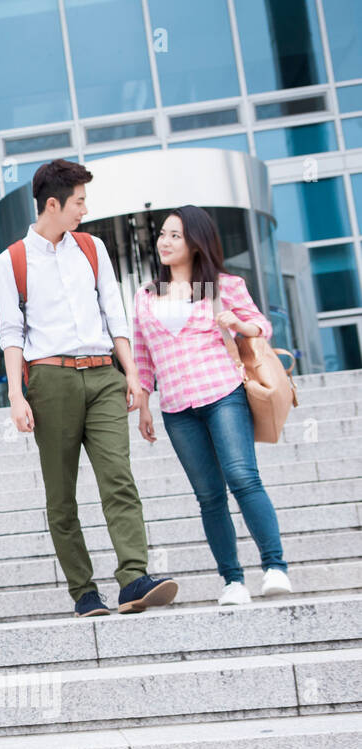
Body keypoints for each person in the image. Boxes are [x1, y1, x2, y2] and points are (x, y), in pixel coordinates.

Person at [0, 159, 178, 618]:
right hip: (50, 381)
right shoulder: (11, 261)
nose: (84, 209)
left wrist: (132, 374)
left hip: (102, 376)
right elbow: (11, 333)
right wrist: (17, 396)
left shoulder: (92, 248)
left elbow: (114, 314)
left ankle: (134, 577)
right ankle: (83, 591)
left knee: (119, 478)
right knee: (62, 495)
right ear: (52, 204)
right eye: (78, 202)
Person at [132, 205, 291, 605]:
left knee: (242, 478)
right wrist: (145, 404)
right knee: (208, 496)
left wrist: (237, 324)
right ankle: (232, 581)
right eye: (163, 234)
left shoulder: (219, 286)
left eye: (175, 236)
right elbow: (142, 355)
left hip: (222, 393)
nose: (164, 242)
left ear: (196, 243)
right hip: (176, 408)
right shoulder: (148, 294)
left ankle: (275, 567)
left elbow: (262, 326)